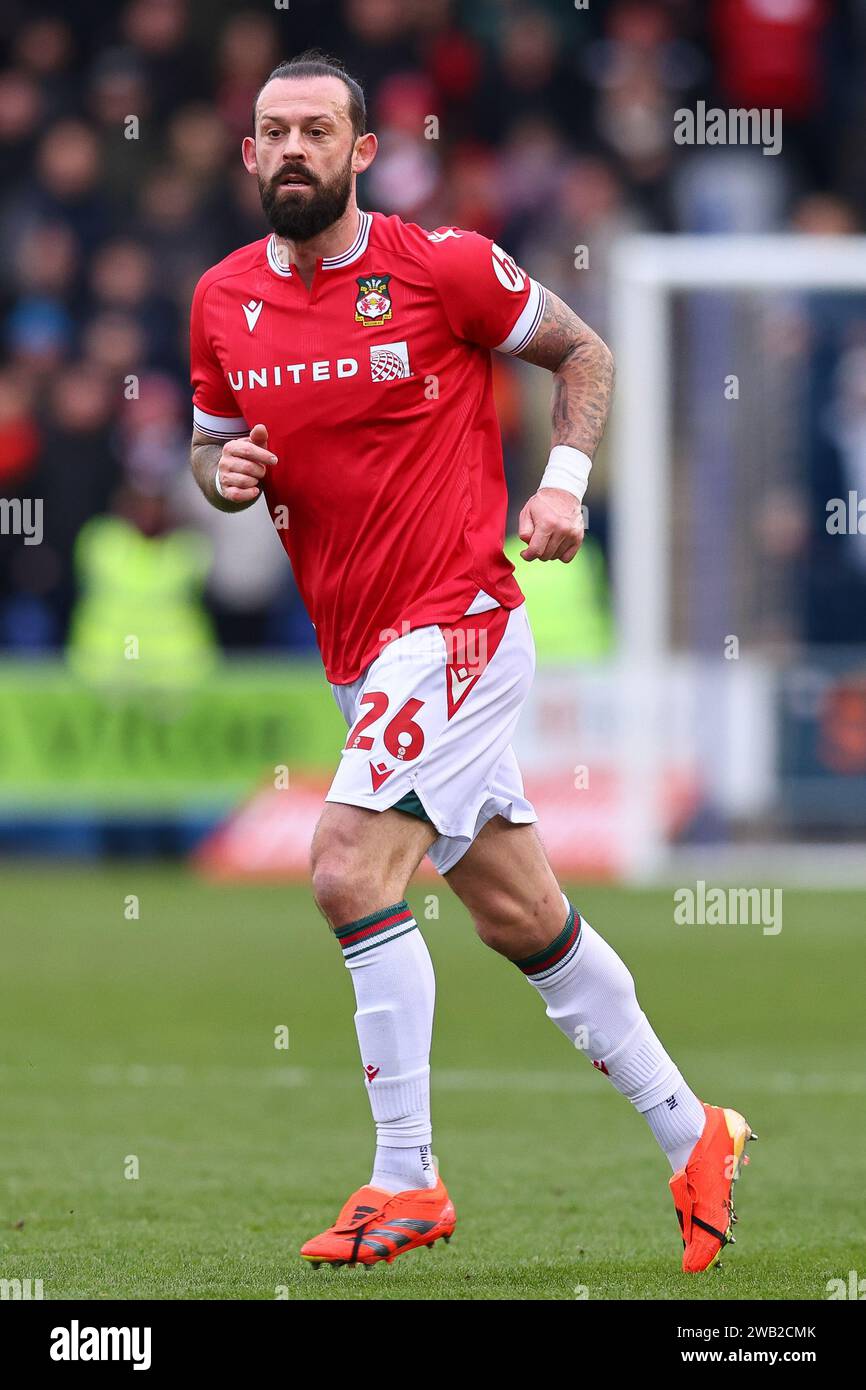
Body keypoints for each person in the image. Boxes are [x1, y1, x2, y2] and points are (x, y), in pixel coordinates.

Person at [189, 49, 755, 1274]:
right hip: (363, 652)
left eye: (315, 130)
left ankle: (407, 1180)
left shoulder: (435, 265)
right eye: (272, 131)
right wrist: (220, 476)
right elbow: (207, 444)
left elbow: (584, 354)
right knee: (516, 912)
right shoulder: (222, 299)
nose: (292, 149)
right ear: (248, 155)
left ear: (359, 151)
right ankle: (691, 1129)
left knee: (345, 865)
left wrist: (562, 488)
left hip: (456, 625)